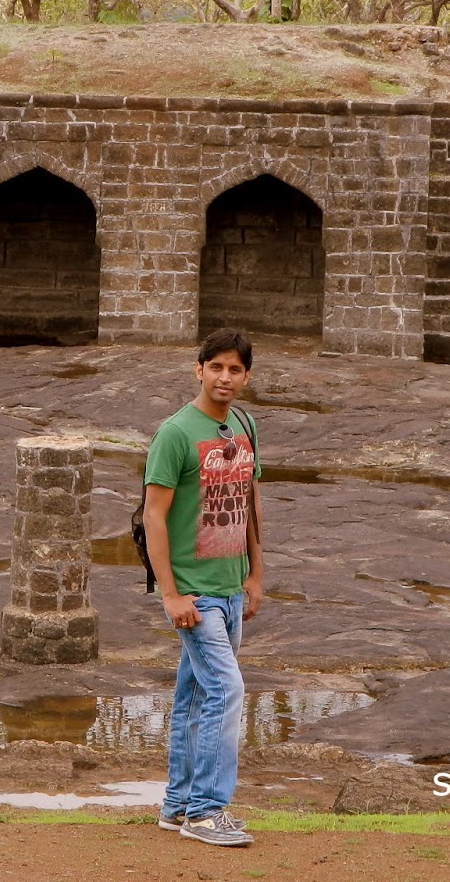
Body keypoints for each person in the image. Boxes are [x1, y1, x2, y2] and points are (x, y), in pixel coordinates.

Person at [142, 327, 263, 848]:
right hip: (195, 594)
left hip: (232, 587)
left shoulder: (244, 424)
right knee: (227, 690)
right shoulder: (175, 433)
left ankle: (176, 806)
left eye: (235, 369)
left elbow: (252, 504)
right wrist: (170, 595)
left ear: (246, 376)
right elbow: (153, 516)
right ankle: (208, 811)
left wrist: (256, 574)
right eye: (216, 367)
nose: (225, 377)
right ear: (198, 370)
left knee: (195, 696)